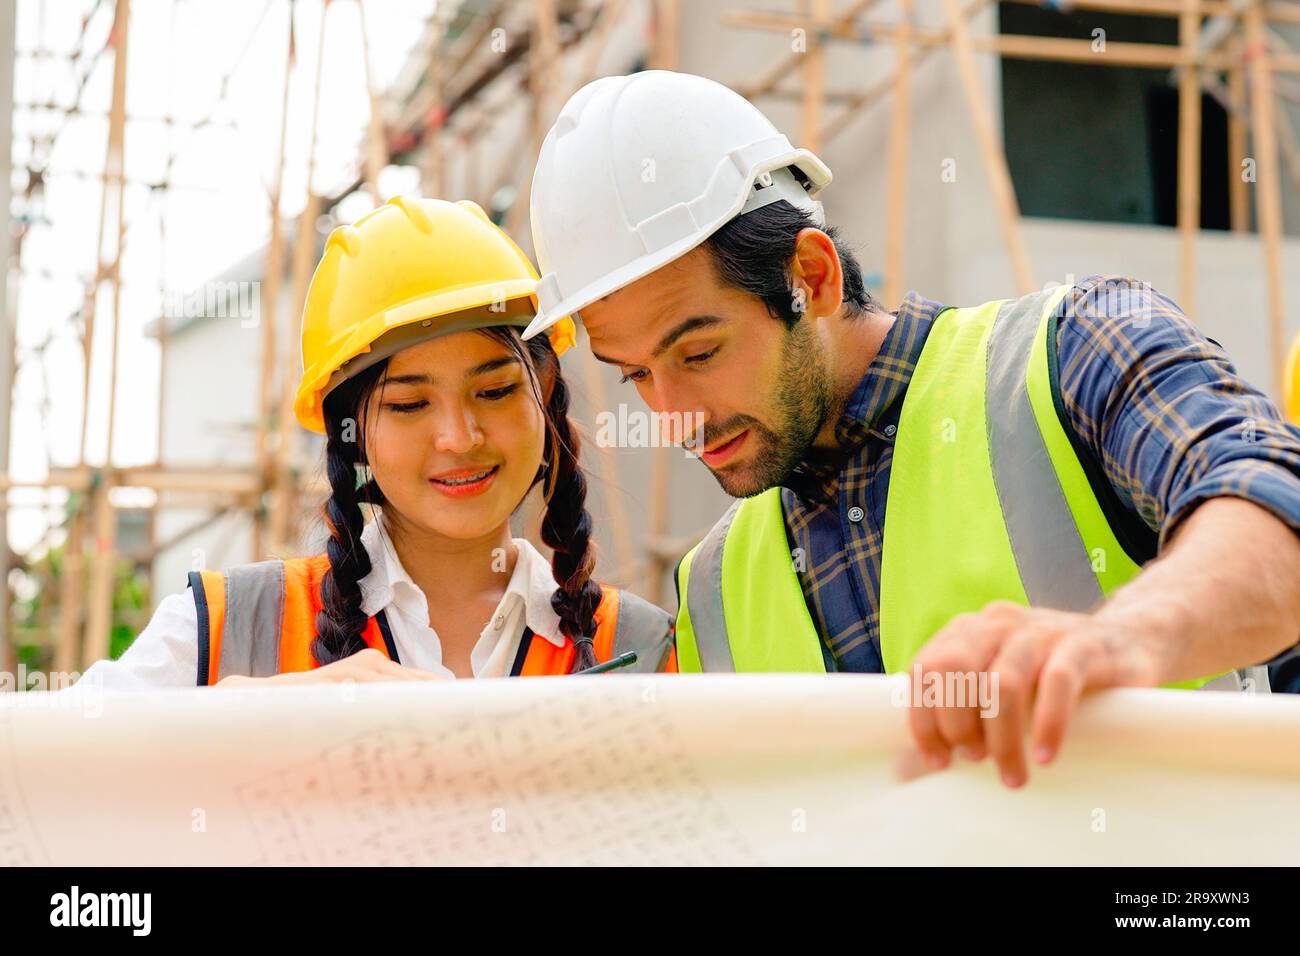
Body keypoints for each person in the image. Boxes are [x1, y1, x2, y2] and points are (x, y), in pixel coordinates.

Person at [522, 70, 1300, 787]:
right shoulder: (713, 589)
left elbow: (1271, 508)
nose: (671, 413)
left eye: (697, 352)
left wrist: (1123, 640)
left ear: (813, 278)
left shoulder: (1075, 349)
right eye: (636, 375)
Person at [78, 196, 675, 689]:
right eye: (409, 404)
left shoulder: (643, 648)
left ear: (543, 390)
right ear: (352, 429)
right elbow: (36, 771)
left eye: (493, 391)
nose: (458, 437)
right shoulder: (229, 626)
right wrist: (246, 709)